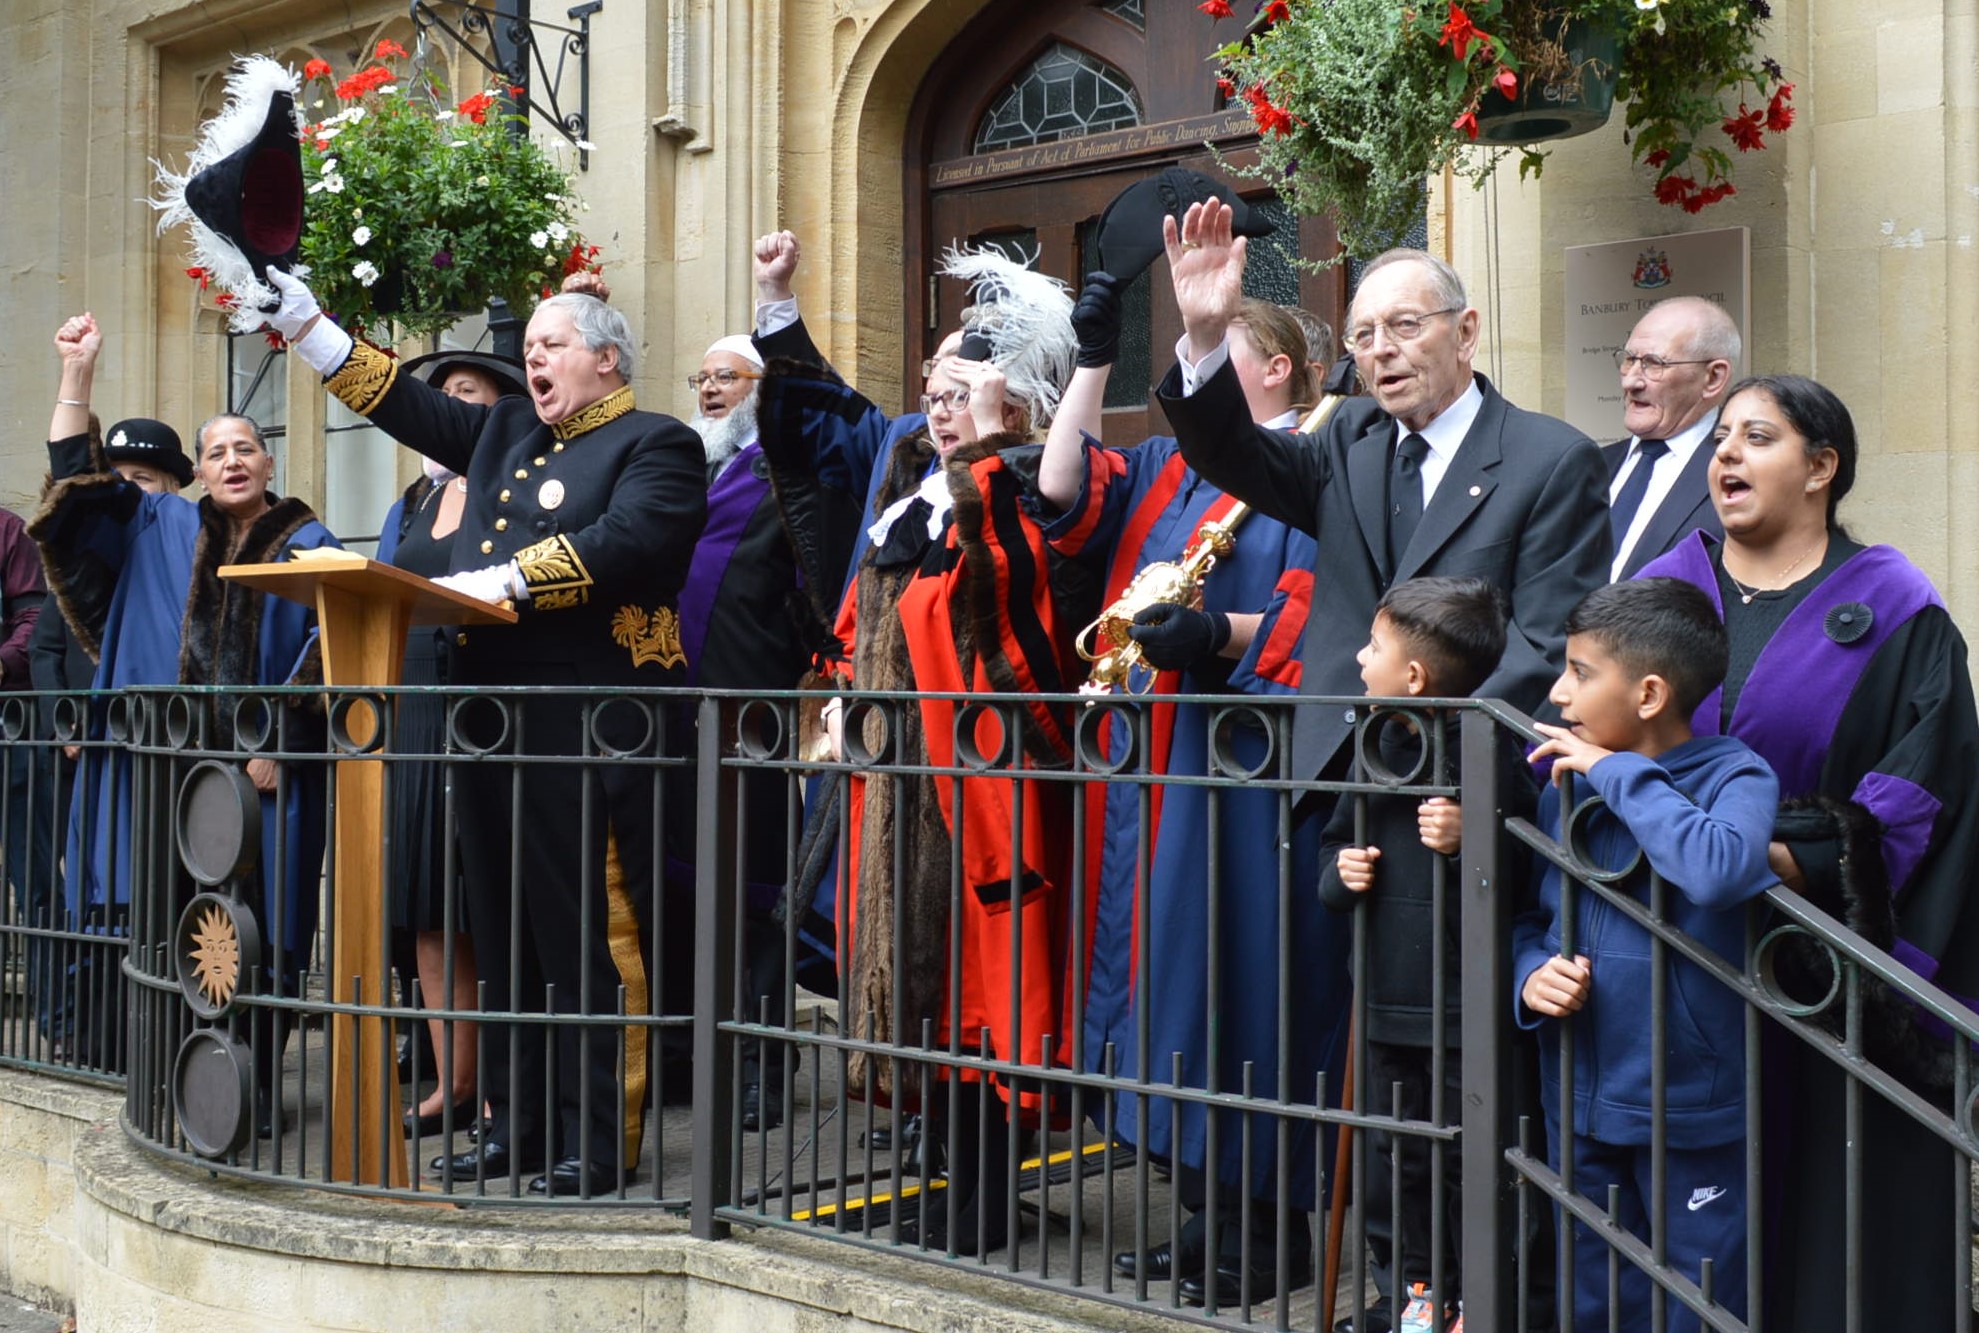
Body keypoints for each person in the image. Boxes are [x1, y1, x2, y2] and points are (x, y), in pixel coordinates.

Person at [264, 266, 707, 1198]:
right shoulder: (504, 431)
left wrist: (510, 579)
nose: (531, 358)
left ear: (606, 357)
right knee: (504, 931)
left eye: (550, 345)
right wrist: (306, 324)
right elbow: (403, 403)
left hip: (590, 723)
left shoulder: (655, 441)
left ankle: (598, 1137)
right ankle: (520, 1120)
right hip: (492, 723)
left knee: (586, 931)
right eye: (528, 347)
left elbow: (635, 538)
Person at [1636, 374, 1979, 1332]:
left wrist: (1779, 867)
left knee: (1830, 1198)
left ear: (1821, 468)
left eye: (1756, 436)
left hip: (1822, 960)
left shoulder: (1896, 609)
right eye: (1719, 440)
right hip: (1668, 942)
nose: (1725, 456)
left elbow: (1924, 785)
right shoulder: (1663, 590)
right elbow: (1584, 728)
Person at [1039, 284, 1348, 1305]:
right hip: (1159, 769)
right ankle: (1202, 1212)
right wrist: (1092, 362)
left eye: (1218, 349)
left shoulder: (1313, 460)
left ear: (1276, 369)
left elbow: (1320, 616)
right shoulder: (1176, 466)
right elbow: (1063, 493)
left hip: (1248, 771)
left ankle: (1267, 1236)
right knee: (1173, 1001)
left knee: (1242, 1002)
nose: (1193, 366)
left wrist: (1222, 638)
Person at [778, 248, 1088, 1255]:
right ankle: (949, 1180)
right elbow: (858, 625)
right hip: (891, 778)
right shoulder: (913, 500)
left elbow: (1008, 611)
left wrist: (987, 451)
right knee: (914, 992)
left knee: (975, 995)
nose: (937, 408)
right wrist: (835, 706)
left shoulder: (1013, 490)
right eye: (931, 393)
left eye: (957, 393)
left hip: (974, 787)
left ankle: (987, 1195)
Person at [1155, 201, 1612, 793]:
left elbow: (1543, 646)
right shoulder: (1348, 436)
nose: (1381, 350)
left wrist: (1427, 751)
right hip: (1332, 774)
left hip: (1452, 784)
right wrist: (1206, 335)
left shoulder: (1549, 459)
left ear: (1466, 332)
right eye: (1364, 335)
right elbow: (1230, 454)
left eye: (1406, 325)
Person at [30, 313, 337, 1102]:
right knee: (165, 921)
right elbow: (73, 483)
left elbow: (328, 650)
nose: (232, 460)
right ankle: (170, 1078)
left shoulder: (312, 541)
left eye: (245, 447)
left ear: (268, 461)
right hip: (162, 768)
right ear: (197, 471)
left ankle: (252, 1087)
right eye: (216, 451)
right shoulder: (157, 522)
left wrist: (280, 739)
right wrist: (77, 373)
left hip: (260, 775)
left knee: (257, 930)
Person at [1514, 578, 1778, 1333]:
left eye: (1580, 671)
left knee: (1696, 1301)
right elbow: (1531, 917)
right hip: (1578, 1094)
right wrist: (1529, 972)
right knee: (1592, 1295)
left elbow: (1718, 867)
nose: (1559, 692)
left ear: (1650, 691)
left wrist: (1613, 772)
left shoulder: (1734, 772)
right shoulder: (1560, 786)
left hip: (1689, 1105)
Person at [1319, 577, 1530, 1332]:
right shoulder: (1372, 745)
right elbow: (1331, 841)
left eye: (1373, 647)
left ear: (1412, 676)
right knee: (1397, 1156)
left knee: (1466, 1157)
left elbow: (1528, 871)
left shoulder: (1487, 747)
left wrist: (1472, 838)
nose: (1357, 656)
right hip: (1383, 993)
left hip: (1459, 1002)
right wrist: (1341, 874)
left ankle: (1477, 1297)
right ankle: (1418, 1290)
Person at [375, 350, 526, 1139]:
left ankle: (503, 1084)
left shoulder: (511, 491)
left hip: (483, 713)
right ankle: (452, 1082)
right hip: (415, 713)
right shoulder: (413, 499)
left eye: (464, 395)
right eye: (438, 398)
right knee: (430, 913)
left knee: (485, 905)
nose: (445, 409)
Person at [26, 413, 196, 1059]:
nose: (129, 488)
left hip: (158, 751)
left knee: (153, 895)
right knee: (91, 894)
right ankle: (86, 1032)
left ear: (174, 486)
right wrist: (67, 718)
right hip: (88, 751)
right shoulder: (80, 566)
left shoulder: (180, 554)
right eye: (120, 477)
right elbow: (46, 648)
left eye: (144, 479)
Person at [1606, 298, 1739, 580]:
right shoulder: (1591, 465)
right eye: (1629, 359)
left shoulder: (1736, 475)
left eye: (1654, 363)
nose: (1630, 381)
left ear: (1713, 377)